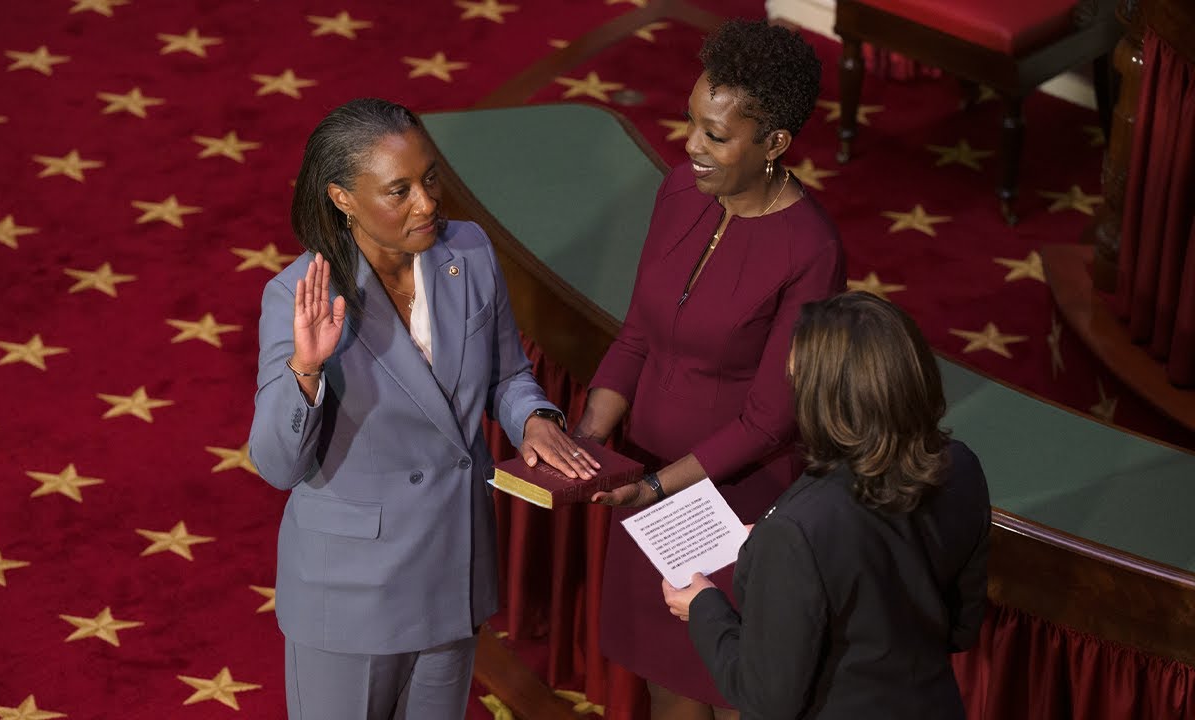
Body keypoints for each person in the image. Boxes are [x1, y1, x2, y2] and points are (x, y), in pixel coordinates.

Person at [248, 98, 598, 720]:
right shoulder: (298, 295)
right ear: (343, 198)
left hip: (452, 569)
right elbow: (277, 465)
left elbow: (509, 373)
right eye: (399, 190)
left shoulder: (470, 250)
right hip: (353, 592)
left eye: (430, 177)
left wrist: (533, 417)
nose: (428, 203)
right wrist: (306, 369)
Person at [572, 19, 845, 719]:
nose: (690, 144)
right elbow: (637, 335)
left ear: (775, 144)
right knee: (668, 689)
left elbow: (768, 421)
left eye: (715, 135)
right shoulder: (678, 192)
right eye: (692, 122)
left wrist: (655, 486)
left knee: (728, 693)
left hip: (736, 507)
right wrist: (591, 436)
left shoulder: (810, 249)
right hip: (648, 489)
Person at [661, 291, 992, 720]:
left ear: (826, 398)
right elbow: (961, 627)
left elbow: (766, 699)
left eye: (797, 380)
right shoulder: (961, 464)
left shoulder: (799, 529)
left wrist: (705, 607)